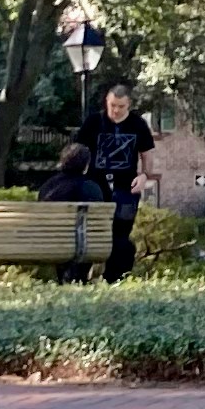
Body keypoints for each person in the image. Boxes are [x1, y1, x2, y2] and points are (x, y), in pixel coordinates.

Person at [78, 80, 155, 281]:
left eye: (121, 106)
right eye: (112, 105)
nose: (116, 110)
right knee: (91, 231)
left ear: (128, 105)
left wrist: (144, 176)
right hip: (96, 186)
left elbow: (147, 154)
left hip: (126, 187)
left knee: (120, 235)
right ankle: (81, 277)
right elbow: (78, 151)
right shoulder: (94, 122)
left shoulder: (138, 124)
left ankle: (113, 278)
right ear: (107, 102)